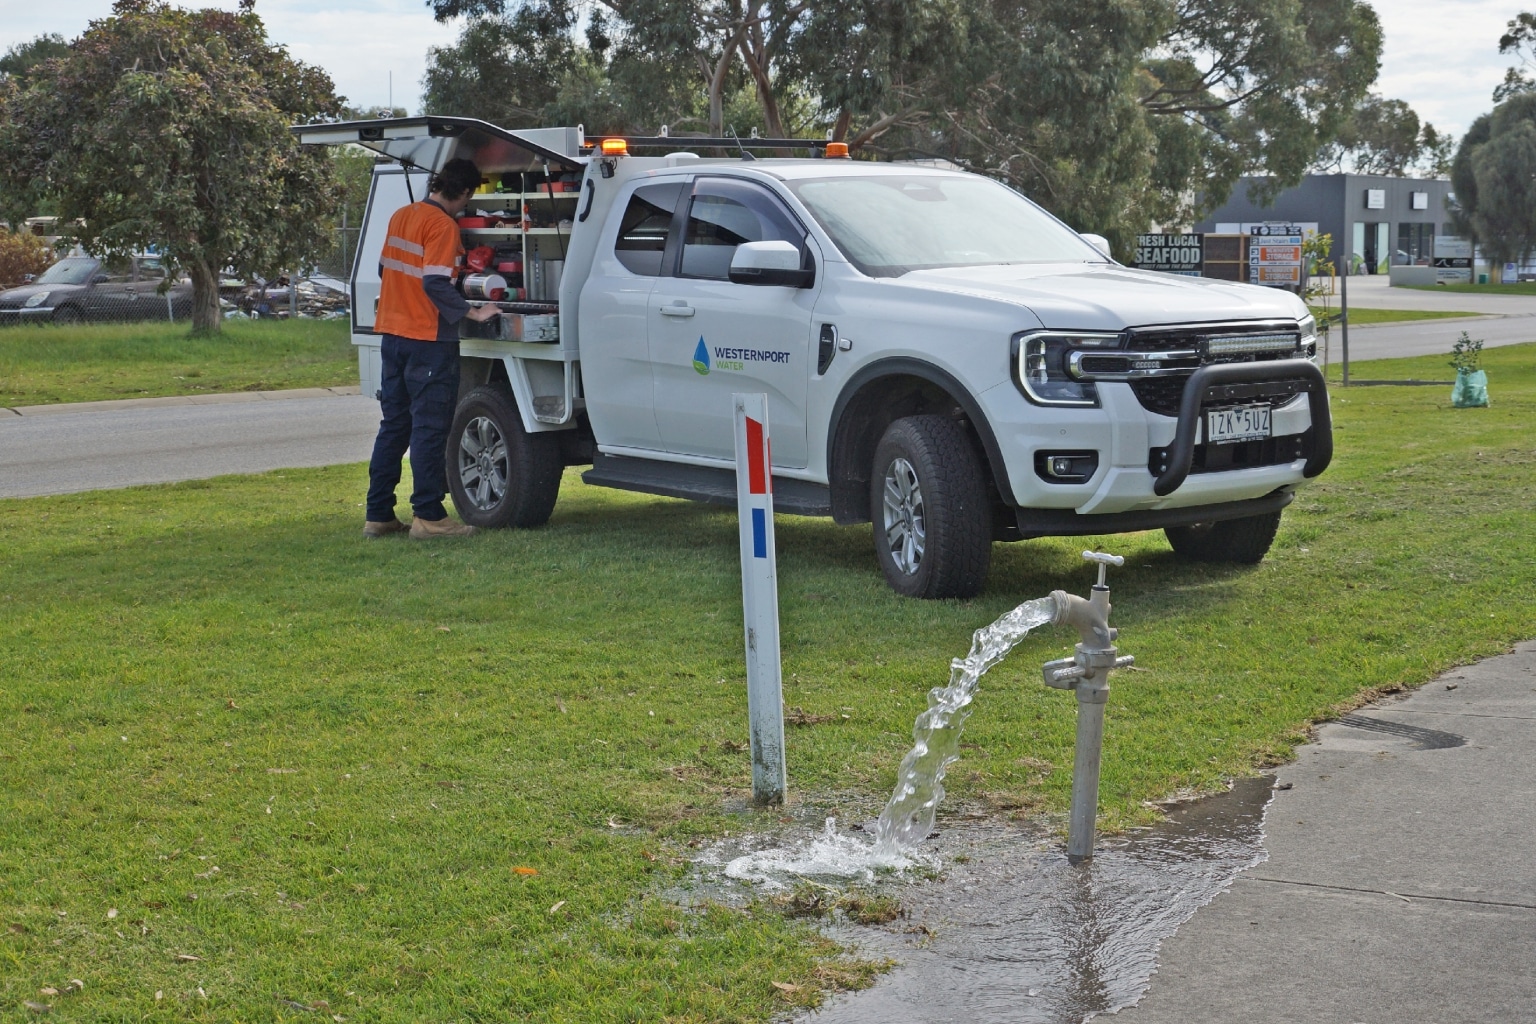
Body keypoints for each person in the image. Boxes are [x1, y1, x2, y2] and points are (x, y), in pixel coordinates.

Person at [363, 158, 501, 539]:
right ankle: (428, 516)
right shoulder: (443, 225)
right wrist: (473, 312)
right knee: (429, 428)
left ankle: (378, 514)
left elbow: (384, 270)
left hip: (392, 334)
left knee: (394, 426)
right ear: (466, 193)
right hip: (427, 339)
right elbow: (435, 284)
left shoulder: (402, 215)